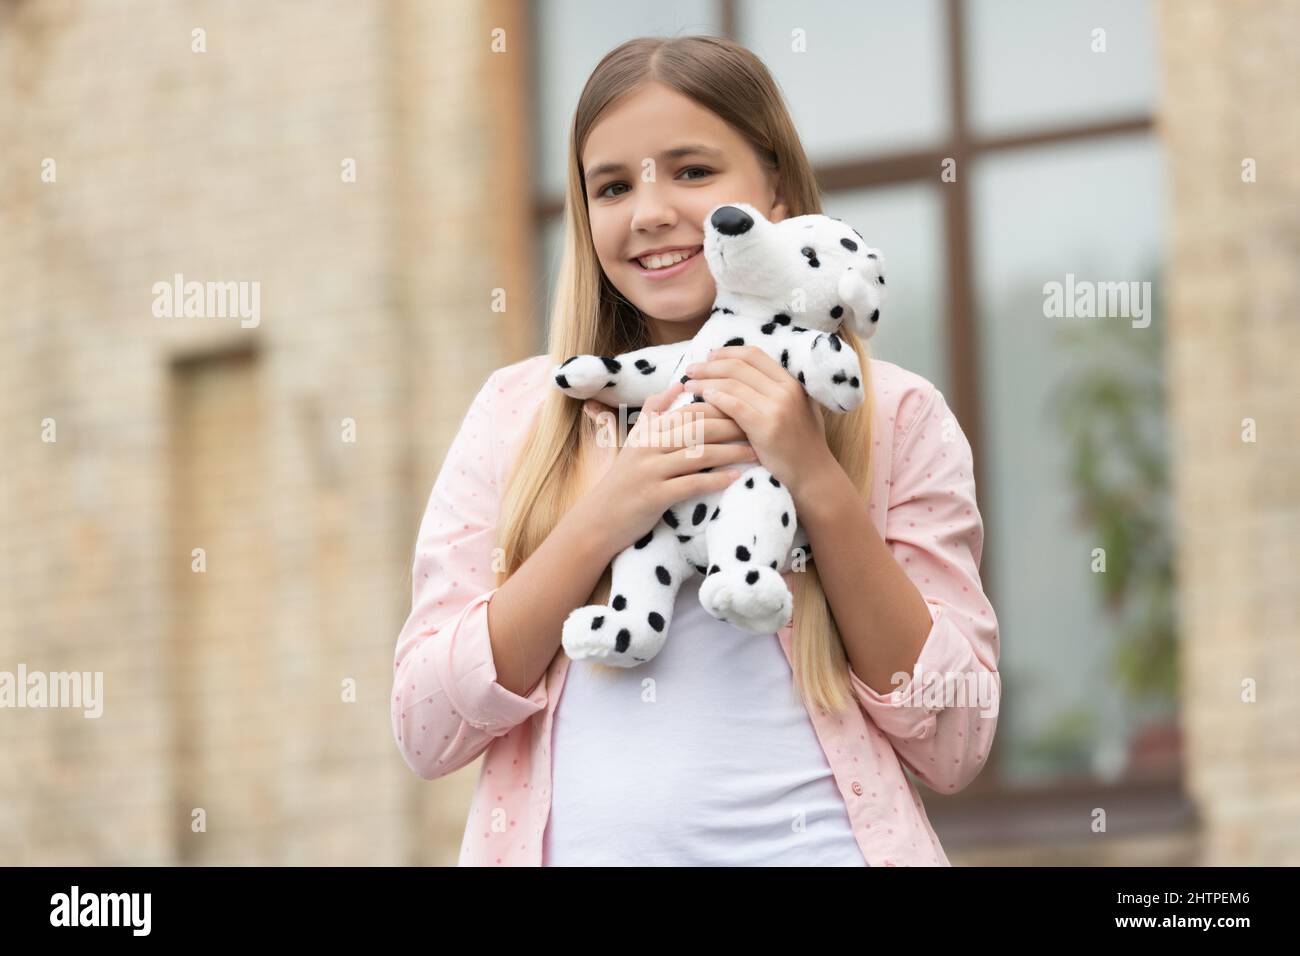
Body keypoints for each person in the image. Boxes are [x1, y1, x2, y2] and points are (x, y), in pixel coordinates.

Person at [391, 35, 1000, 867]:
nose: (649, 212)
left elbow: (956, 736)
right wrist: (606, 514)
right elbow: (427, 725)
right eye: (612, 186)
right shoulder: (519, 415)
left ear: (775, 191)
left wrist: (815, 478)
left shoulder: (894, 415)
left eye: (691, 171)